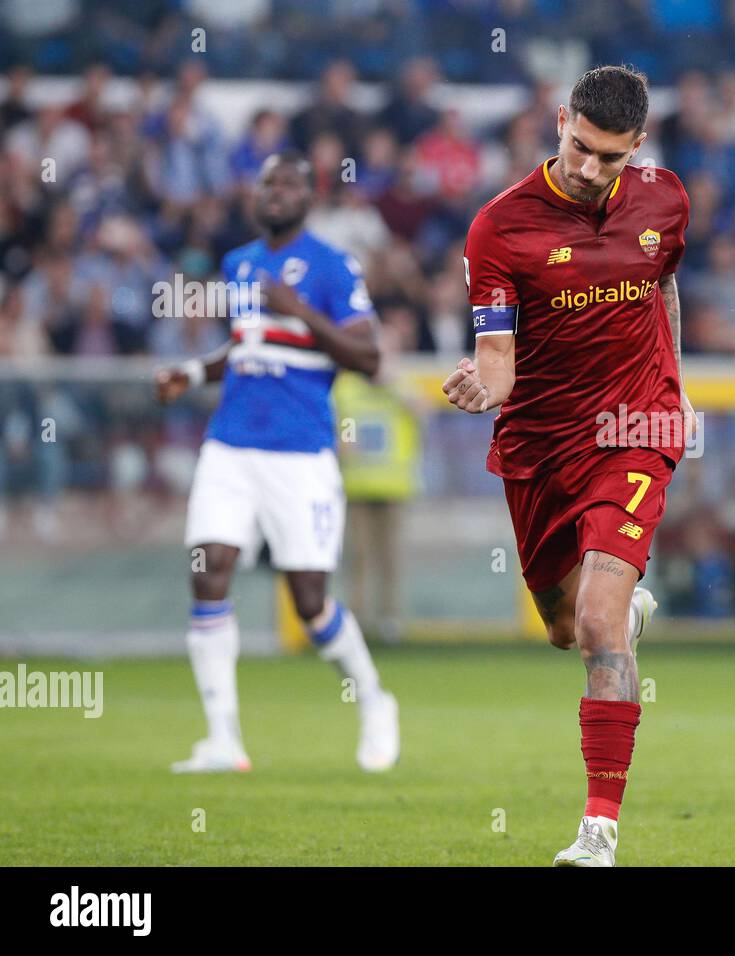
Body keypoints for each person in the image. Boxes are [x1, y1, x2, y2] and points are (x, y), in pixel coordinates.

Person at [443, 66, 692, 866]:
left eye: (610, 158)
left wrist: (674, 388)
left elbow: (666, 284)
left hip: (635, 427)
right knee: (561, 626)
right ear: (559, 122)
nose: (590, 169)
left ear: (638, 147)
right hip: (540, 444)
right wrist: (483, 388)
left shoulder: (665, 200)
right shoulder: (499, 228)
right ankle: (629, 611)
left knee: (595, 624)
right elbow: (498, 359)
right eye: (580, 148)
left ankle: (598, 833)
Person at [155, 151, 400, 774]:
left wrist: (304, 312)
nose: (276, 192)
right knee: (209, 570)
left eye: (288, 183)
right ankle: (223, 740)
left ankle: (374, 700)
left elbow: (368, 358)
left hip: (300, 452)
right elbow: (245, 346)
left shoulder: (331, 266)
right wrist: (190, 372)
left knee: (311, 604)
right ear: (254, 194)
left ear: (308, 195)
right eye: (267, 183)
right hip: (230, 444)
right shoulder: (237, 263)